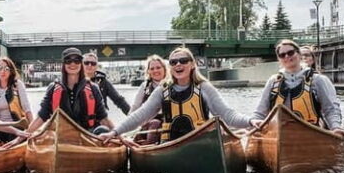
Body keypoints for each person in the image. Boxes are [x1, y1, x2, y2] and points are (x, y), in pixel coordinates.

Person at [99, 47, 253, 144]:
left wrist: (250, 121)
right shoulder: (162, 90)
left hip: (200, 143)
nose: (178, 64)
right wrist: (115, 132)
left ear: (192, 64)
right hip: (171, 144)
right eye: (173, 62)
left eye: (183, 61)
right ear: (170, 67)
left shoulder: (204, 87)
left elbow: (227, 115)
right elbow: (140, 115)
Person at [252, 39, 344, 136]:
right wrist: (254, 123)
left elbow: (330, 109)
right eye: (282, 55)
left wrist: (335, 127)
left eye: (290, 53)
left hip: (311, 134)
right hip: (278, 134)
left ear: (299, 55)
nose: (287, 57)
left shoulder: (318, 80)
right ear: (279, 59)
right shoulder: (273, 81)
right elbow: (260, 112)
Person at [26, 47, 113, 135]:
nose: (73, 64)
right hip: (61, 137)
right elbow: (41, 116)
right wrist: (23, 136)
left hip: (87, 136)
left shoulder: (93, 88)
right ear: (63, 64)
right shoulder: (53, 88)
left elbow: (104, 118)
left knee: (103, 130)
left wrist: (117, 133)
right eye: (68, 60)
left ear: (81, 63)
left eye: (77, 60)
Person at [129, 54, 168, 143]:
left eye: (158, 67)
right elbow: (135, 106)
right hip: (150, 124)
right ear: (148, 71)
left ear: (164, 69)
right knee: (155, 123)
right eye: (152, 69)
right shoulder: (144, 86)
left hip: (169, 123)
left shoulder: (172, 84)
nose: (155, 71)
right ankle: (150, 150)